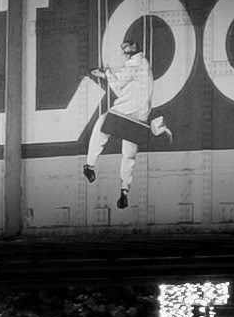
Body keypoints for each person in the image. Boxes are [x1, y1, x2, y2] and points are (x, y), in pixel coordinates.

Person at [69, 44, 174, 206]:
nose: (122, 56)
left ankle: (89, 166)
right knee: (129, 154)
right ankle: (124, 190)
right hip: (140, 117)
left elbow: (119, 81)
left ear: (129, 54)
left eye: (124, 53)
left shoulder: (137, 63)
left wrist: (106, 72)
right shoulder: (144, 68)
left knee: (100, 128)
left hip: (124, 113)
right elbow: (124, 86)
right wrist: (105, 74)